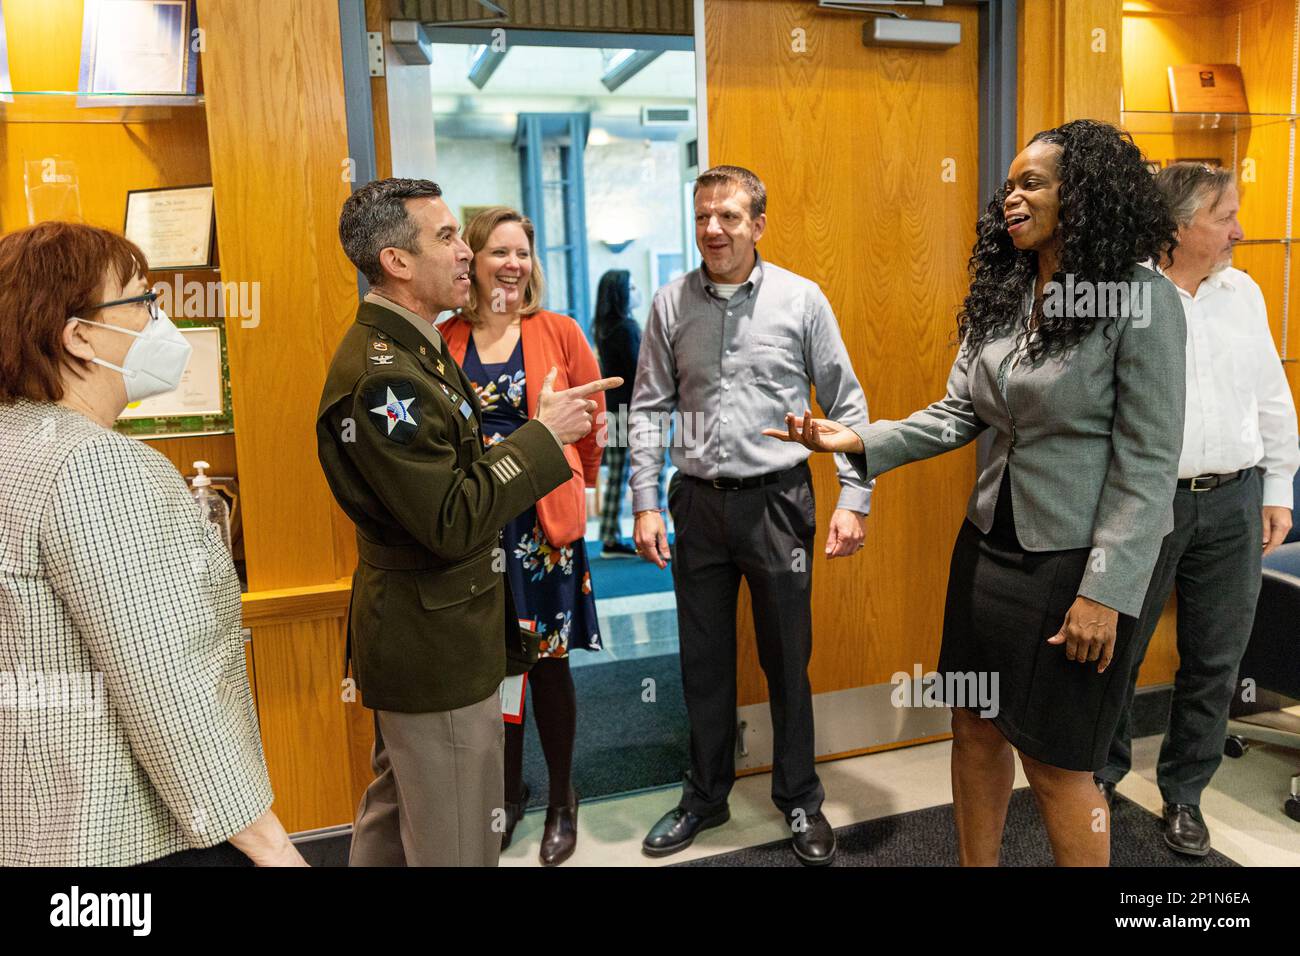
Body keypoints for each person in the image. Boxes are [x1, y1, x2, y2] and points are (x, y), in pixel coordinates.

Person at [766, 121, 1186, 866]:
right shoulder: (1007, 290)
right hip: (989, 547)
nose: (1010, 200)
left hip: (1076, 562)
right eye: (1008, 187)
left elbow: (1147, 461)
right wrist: (857, 440)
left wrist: (1107, 591)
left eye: (1032, 184)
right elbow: (959, 412)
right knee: (975, 724)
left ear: (1082, 195)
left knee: (1058, 762)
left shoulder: (1139, 298)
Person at [317, 179, 618, 867]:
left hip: (446, 619)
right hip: (437, 639)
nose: (467, 254)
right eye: (449, 237)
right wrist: (543, 436)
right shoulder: (387, 374)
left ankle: (556, 803)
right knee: (455, 841)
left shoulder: (413, 350)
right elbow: (450, 519)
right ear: (397, 262)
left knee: (397, 820)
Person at [0, 221, 304, 867]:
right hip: (127, 836)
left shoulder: (15, 446)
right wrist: (272, 846)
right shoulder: (96, 467)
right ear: (79, 336)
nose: (160, 321)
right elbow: (169, 685)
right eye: (142, 302)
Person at [630, 165, 873, 866]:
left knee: (785, 659)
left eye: (729, 216)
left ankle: (799, 799)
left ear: (758, 225)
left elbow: (847, 408)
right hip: (697, 506)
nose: (713, 229)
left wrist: (854, 498)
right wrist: (644, 502)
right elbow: (648, 408)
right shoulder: (670, 304)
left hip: (778, 504)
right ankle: (704, 796)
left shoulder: (802, 301)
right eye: (704, 215)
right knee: (702, 664)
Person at [1096, 162, 1300, 856]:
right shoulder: (1124, 296)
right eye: (1226, 217)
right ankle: (1101, 778)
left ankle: (1185, 794)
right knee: (1114, 653)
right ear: (1179, 225)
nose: (1240, 231)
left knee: (1215, 659)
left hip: (1236, 500)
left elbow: (1271, 393)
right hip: (1146, 504)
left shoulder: (1243, 292)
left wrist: (1278, 488)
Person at [438, 206, 605, 867]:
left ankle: (563, 798)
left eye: (523, 252)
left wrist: (579, 486)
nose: (513, 263)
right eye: (498, 251)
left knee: (549, 665)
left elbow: (591, 419)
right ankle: (506, 794)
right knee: (491, 668)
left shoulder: (558, 331)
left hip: (543, 528)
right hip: (477, 526)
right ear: (471, 260)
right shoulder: (445, 337)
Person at [592, 269, 643, 556]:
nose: (636, 291)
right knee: (647, 473)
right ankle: (646, 530)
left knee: (617, 476)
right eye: (632, 286)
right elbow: (640, 373)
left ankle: (610, 535)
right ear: (621, 293)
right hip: (632, 411)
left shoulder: (602, 326)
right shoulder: (626, 328)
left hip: (612, 410)